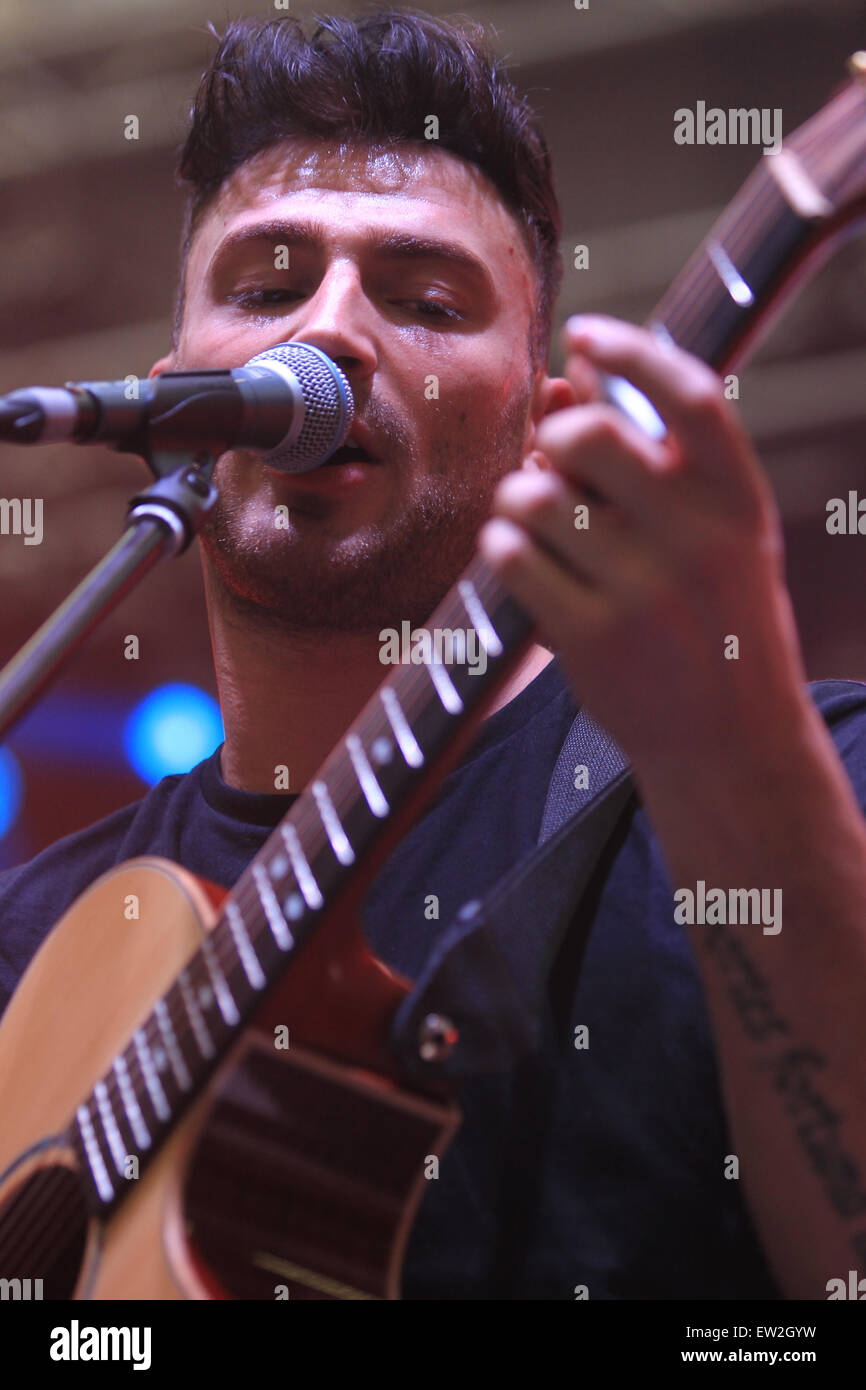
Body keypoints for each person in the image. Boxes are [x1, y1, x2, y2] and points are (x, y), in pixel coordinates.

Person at [2, 8, 866, 1301]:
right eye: (267, 286)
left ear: (546, 426)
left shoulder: (802, 782)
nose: (331, 333)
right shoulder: (30, 941)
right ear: (172, 404)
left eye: (423, 298)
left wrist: (735, 759)